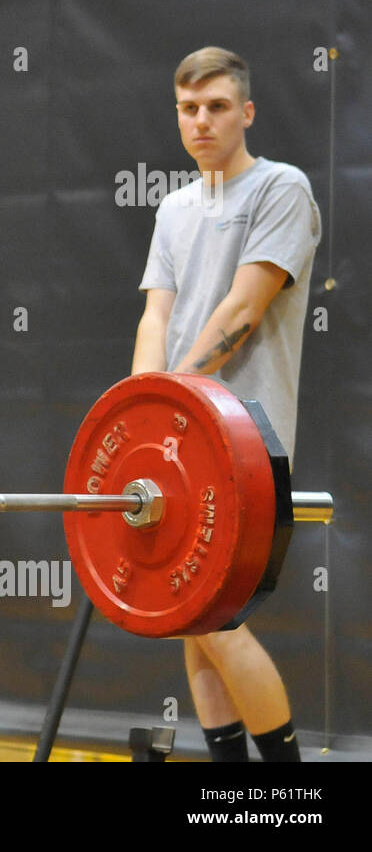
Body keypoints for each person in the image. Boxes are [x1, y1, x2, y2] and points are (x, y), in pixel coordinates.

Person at [132, 46, 321, 761]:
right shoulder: (175, 208)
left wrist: (170, 402)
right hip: (180, 443)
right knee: (194, 621)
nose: (201, 120)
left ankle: (284, 792)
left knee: (217, 622)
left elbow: (243, 310)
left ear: (246, 112)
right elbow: (156, 317)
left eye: (216, 106)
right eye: (188, 108)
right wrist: (142, 413)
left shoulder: (282, 190)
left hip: (246, 443)